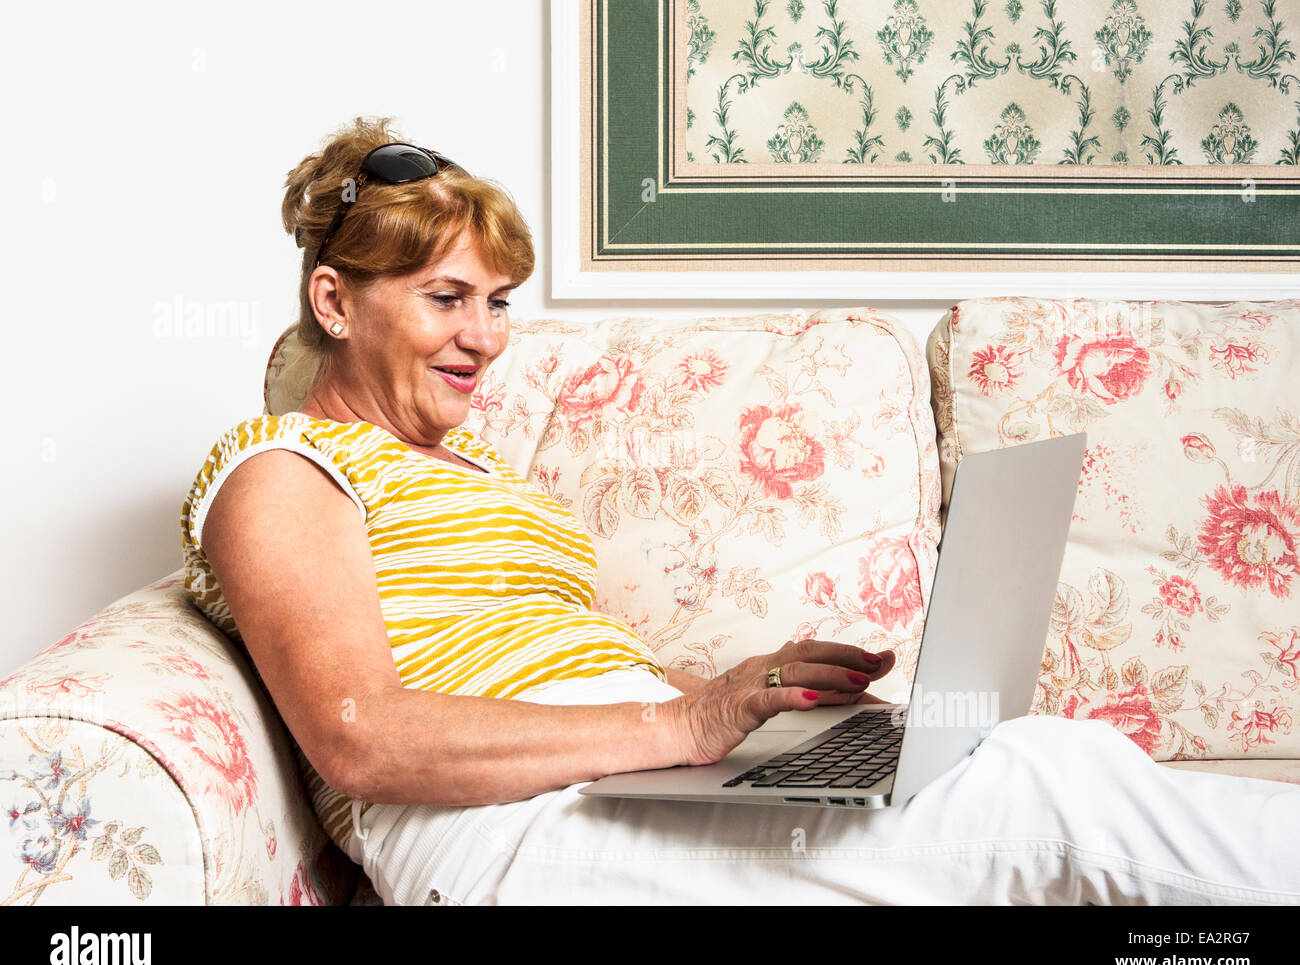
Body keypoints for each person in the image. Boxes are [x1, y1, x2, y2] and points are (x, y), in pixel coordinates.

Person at [180, 117, 1300, 906]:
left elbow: (566, 668)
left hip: (633, 791)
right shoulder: (283, 468)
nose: (483, 336)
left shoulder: (486, 479)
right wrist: (685, 726)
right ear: (335, 300)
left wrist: (762, 708)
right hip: (503, 836)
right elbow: (359, 736)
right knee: (1051, 804)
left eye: (499, 302)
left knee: (1034, 755)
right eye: (446, 299)